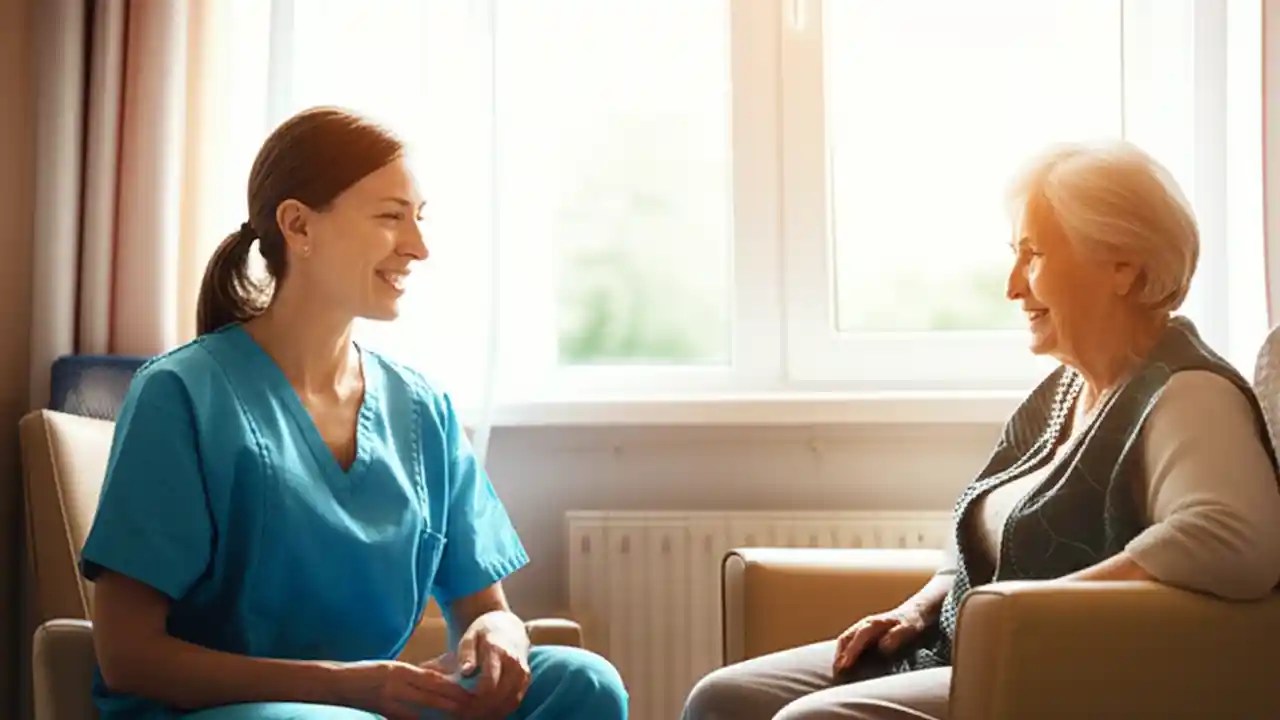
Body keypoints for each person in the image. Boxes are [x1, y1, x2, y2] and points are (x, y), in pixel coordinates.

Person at [682, 140, 1280, 720]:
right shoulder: (1064, 392)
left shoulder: (1187, 393)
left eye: (1034, 255)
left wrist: (1033, 615)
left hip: (1061, 677)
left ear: (1122, 265)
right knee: (723, 700)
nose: (1013, 285)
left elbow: (1234, 542)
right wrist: (915, 611)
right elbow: (988, 544)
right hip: (959, 648)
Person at [81, 107, 627, 720]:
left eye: (418, 218)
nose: (419, 247)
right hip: (230, 711)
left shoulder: (421, 408)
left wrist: (501, 635)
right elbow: (128, 656)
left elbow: (486, 609)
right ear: (298, 225)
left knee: (583, 681)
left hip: (370, 708)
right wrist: (341, 688)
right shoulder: (180, 394)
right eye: (391, 217)